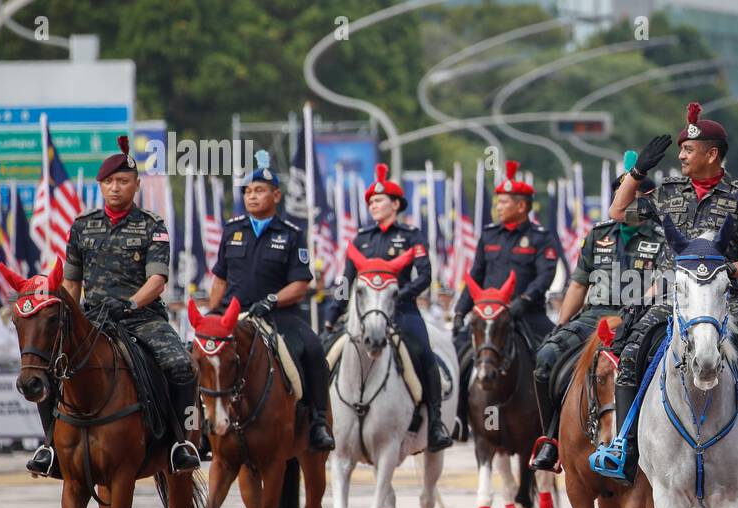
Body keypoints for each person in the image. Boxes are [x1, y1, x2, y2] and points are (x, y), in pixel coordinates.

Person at [589, 102, 738, 491]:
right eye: (680, 150)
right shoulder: (667, 193)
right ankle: (624, 447)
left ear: (711, 154)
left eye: (688, 150)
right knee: (629, 357)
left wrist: (721, 272)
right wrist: (637, 171)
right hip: (671, 299)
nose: (680, 156)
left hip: (723, 299)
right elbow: (617, 209)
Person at [27, 136, 200, 477]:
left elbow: (157, 281)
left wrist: (131, 304)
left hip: (143, 318)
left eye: (122, 181)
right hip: (92, 319)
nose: (115, 187)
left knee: (182, 366)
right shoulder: (82, 226)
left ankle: (181, 442)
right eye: (109, 182)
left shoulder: (152, 226)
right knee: (45, 369)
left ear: (136, 184)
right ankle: (49, 446)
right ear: (101, 186)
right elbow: (72, 283)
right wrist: (67, 315)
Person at [529, 164, 666, 471]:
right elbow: (578, 284)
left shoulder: (662, 239)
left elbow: (662, 284)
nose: (625, 199)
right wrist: (561, 325)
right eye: (621, 193)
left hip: (638, 322)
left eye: (632, 194)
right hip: (593, 318)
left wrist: (637, 309)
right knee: (544, 360)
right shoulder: (598, 235)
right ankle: (551, 439)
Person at [208, 151, 335, 451]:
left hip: (277, 316)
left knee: (314, 349)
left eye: (259, 191)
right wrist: (212, 313)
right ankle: (197, 427)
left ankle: (318, 421)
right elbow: (220, 278)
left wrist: (272, 300)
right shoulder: (232, 230)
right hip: (233, 317)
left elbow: (301, 284)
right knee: (198, 354)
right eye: (248, 191)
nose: (252, 197)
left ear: (276, 195)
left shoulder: (290, 234)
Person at [326, 163, 451, 452]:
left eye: (379, 201)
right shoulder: (361, 239)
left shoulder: (410, 235)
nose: (373, 205)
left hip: (403, 311)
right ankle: (321, 419)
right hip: (363, 315)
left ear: (395, 204)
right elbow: (346, 280)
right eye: (370, 201)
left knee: (423, 353)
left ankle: (435, 423)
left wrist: (400, 297)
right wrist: (333, 314)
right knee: (327, 354)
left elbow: (425, 275)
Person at [452, 160, 561, 378]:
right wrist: (460, 311)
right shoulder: (489, 234)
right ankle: (456, 410)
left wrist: (524, 300)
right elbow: (476, 275)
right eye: (497, 202)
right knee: (457, 356)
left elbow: (545, 274)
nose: (498, 207)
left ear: (521, 206)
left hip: (527, 314)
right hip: (488, 314)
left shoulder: (540, 237)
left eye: (503, 202)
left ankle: (553, 411)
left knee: (555, 355)